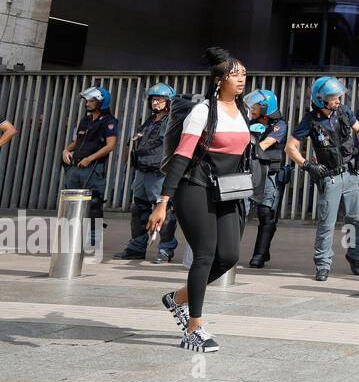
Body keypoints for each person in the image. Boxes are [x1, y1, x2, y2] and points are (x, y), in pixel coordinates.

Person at [148, 47, 252, 353]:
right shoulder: (203, 112)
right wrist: (163, 200)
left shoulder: (242, 111)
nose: (241, 79)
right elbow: (181, 157)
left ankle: (177, 298)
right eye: (235, 74)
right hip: (195, 188)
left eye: (244, 73)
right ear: (219, 80)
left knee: (229, 256)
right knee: (205, 254)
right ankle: (194, 327)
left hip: (226, 191)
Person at [286, 76, 359, 282]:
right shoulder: (311, 120)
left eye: (338, 96)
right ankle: (323, 264)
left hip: (350, 174)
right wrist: (307, 164)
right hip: (330, 177)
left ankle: (354, 256)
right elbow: (290, 147)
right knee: (327, 224)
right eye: (333, 98)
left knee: (353, 220)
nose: (338, 101)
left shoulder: (344, 111)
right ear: (321, 99)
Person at [114, 83, 179, 263]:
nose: (155, 102)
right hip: (142, 171)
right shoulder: (149, 121)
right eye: (153, 99)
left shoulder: (173, 122)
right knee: (138, 210)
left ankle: (166, 250)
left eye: (160, 99)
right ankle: (136, 247)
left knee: (164, 213)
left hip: (160, 173)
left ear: (169, 102)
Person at [62, 86, 119, 248]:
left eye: (92, 100)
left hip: (93, 168)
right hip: (75, 167)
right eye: (87, 100)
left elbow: (110, 145)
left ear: (101, 102)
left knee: (93, 203)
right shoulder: (85, 120)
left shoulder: (109, 121)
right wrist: (66, 149)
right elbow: (78, 141)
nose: (87, 103)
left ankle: (94, 237)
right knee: (71, 201)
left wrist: (90, 158)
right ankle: (72, 234)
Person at [244, 88, 289, 268]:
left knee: (266, 214)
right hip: (249, 172)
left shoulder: (279, 125)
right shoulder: (248, 122)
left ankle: (260, 254)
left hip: (271, 173)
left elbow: (265, 144)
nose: (252, 110)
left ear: (265, 107)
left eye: (255, 107)